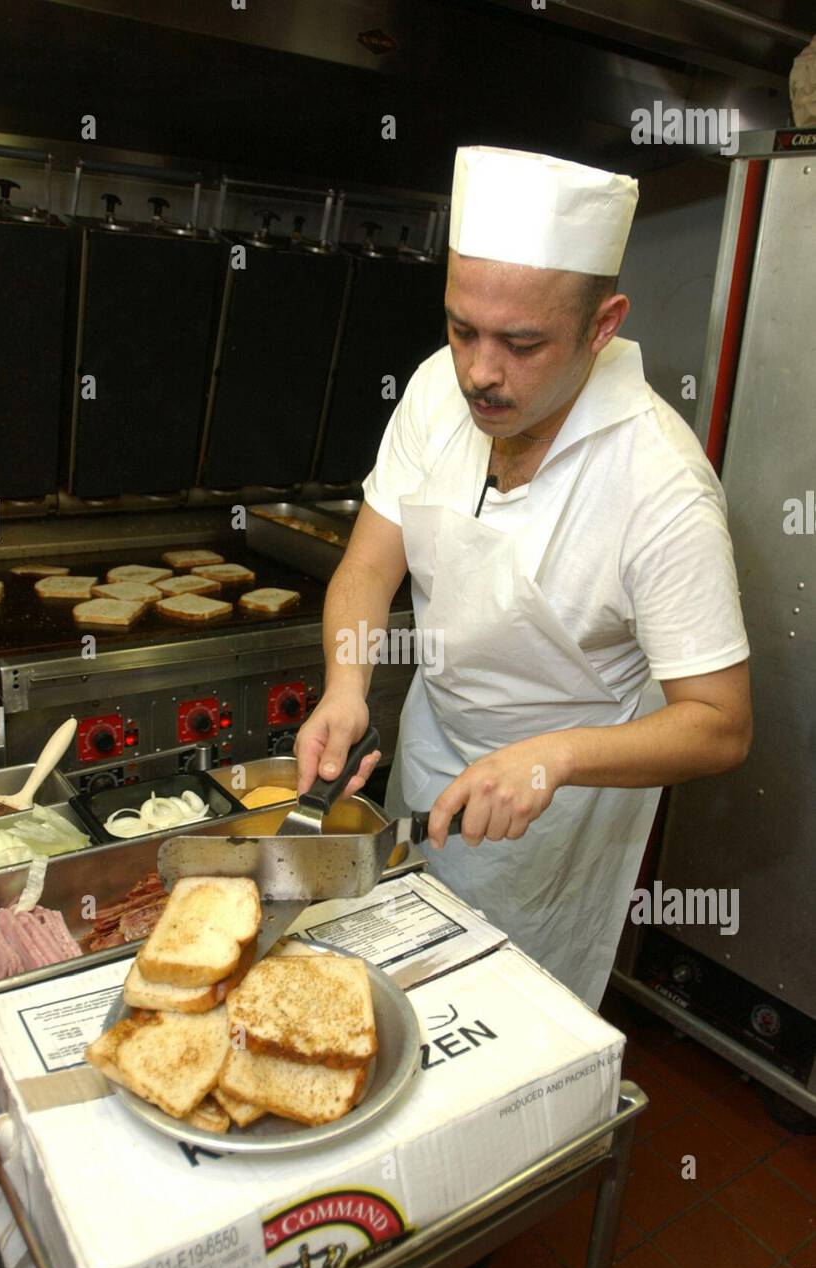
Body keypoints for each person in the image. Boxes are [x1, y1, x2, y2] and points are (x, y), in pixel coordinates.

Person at [295, 145, 751, 1009]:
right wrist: (346, 687)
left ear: (602, 324)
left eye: (522, 342)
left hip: (560, 807)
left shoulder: (660, 484)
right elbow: (365, 566)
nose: (480, 371)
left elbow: (722, 726)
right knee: (378, 992)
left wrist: (552, 760)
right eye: (461, 328)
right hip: (432, 754)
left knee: (497, 1026)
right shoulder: (439, 392)